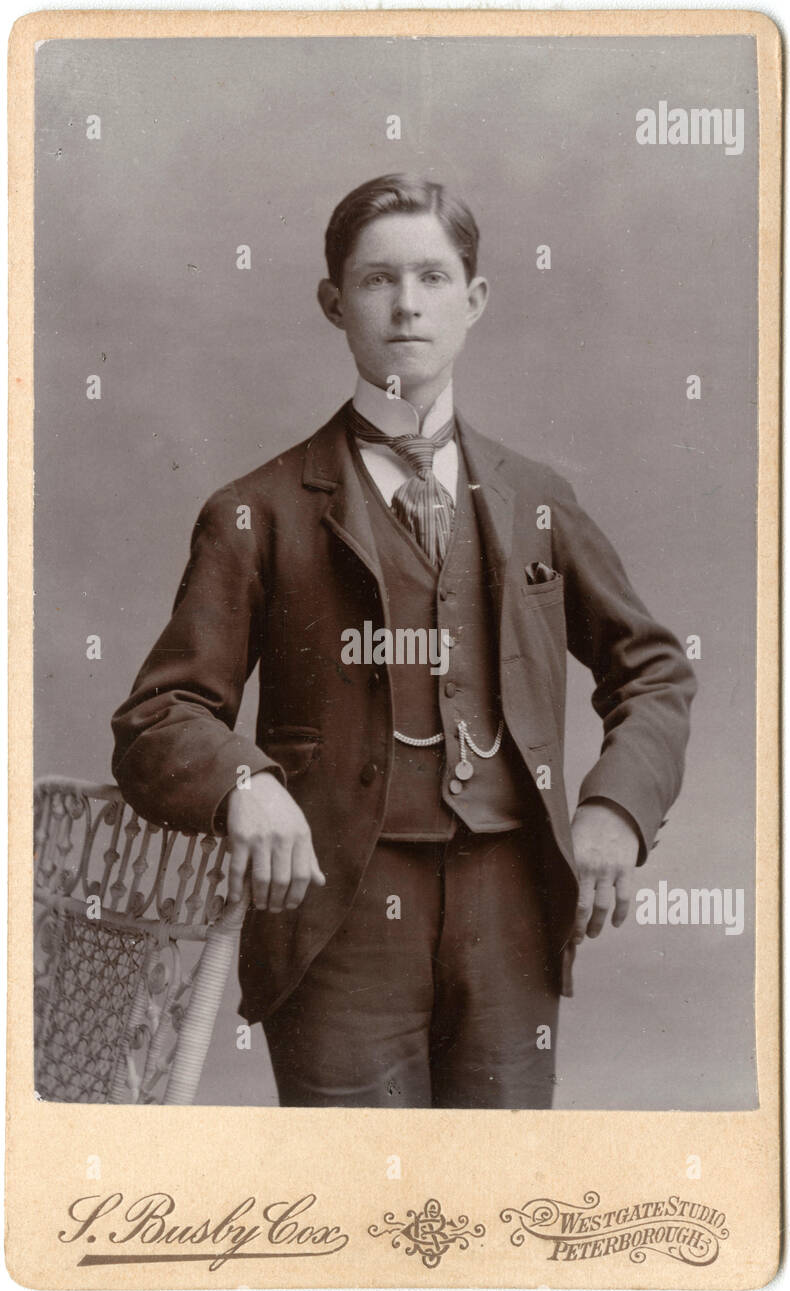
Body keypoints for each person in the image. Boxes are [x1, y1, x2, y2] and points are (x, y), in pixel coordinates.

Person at [111, 173, 696, 1109]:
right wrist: (243, 785)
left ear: (475, 301)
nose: (408, 304)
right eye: (379, 280)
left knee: (497, 1207)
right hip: (337, 915)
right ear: (333, 302)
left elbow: (655, 671)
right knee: (357, 1216)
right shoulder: (254, 512)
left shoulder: (536, 499)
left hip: (511, 910)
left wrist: (619, 810)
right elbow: (159, 714)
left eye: (433, 277)